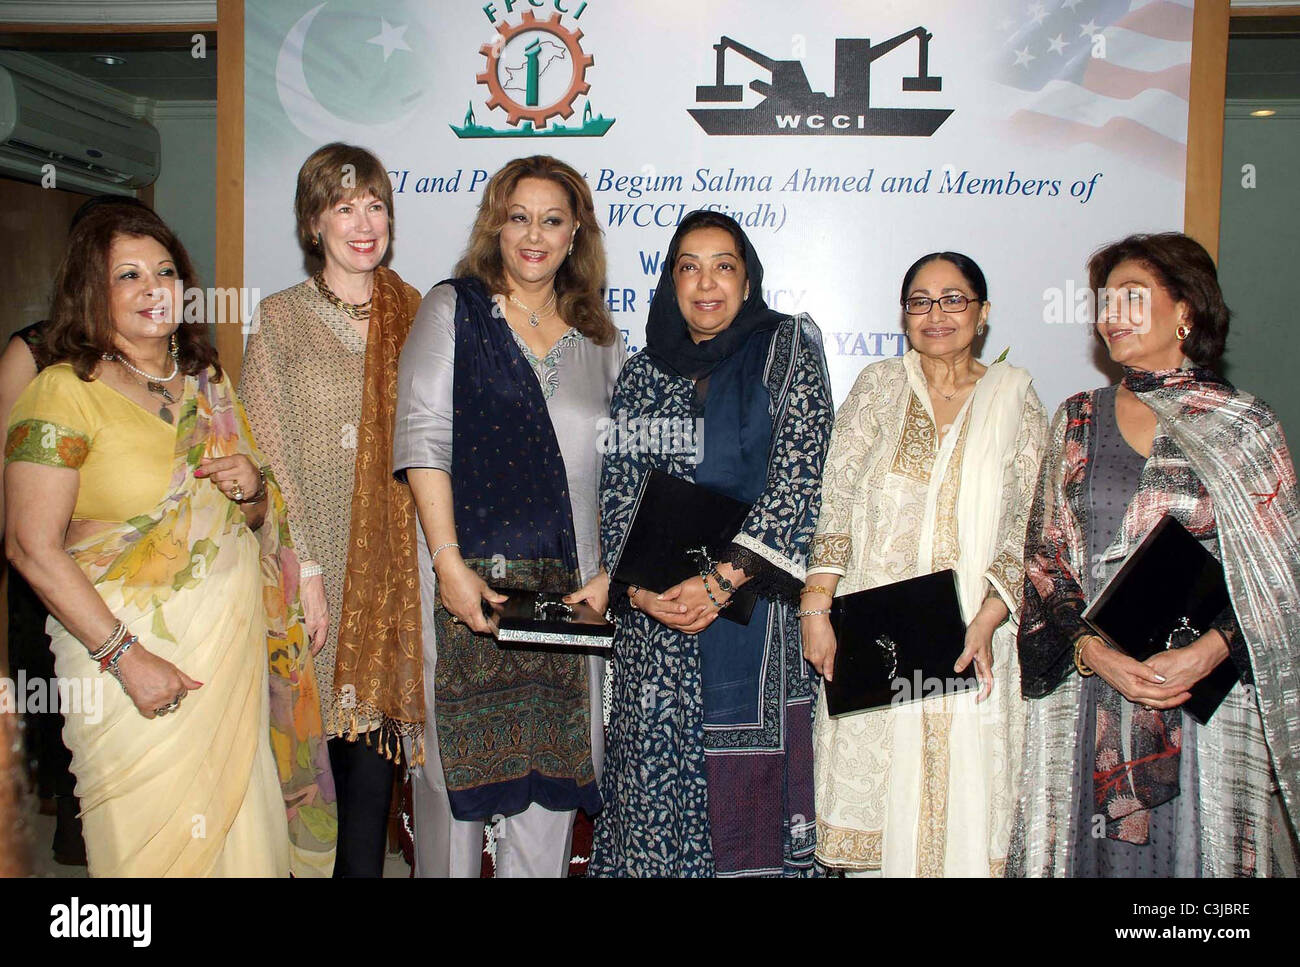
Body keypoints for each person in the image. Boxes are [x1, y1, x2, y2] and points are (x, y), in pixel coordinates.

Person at [4, 204, 330, 876]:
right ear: (93, 291)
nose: (154, 287)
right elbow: (30, 546)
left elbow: (258, 520)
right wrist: (127, 658)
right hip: (127, 668)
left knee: (243, 842)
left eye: (165, 271)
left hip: (230, 665)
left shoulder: (208, 383)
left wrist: (252, 490)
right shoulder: (61, 391)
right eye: (129, 275)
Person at [1012, 232, 1300, 877]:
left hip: (1202, 697)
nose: (1111, 314)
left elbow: (1280, 575)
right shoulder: (1077, 418)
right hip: (1087, 688)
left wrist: (1208, 652)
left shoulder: (1243, 425)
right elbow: (1042, 558)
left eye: (1133, 298)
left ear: (1186, 312)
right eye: (1106, 301)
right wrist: (1096, 655)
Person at [393, 155, 623, 877]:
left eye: (552, 219)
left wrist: (609, 572)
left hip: (569, 592)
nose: (534, 234)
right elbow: (423, 438)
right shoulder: (454, 309)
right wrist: (448, 563)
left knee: (550, 790)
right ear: (495, 222)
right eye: (518, 216)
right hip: (468, 582)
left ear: (575, 231)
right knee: (456, 785)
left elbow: (623, 472)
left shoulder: (601, 340)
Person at [591, 210, 834, 877]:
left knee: (752, 820)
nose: (706, 282)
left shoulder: (785, 352)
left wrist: (724, 579)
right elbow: (618, 493)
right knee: (656, 812)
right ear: (670, 280)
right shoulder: (644, 374)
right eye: (689, 266)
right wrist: (639, 589)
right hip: (658, 629)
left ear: (748, 279)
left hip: (755, 623)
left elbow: (802, 480)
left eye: (723, 265)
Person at [802, 252, 1046, 877]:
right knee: (877, 819)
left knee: (969, 812)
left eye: (954, 299)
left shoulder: (1015, 398)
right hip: (878, 632)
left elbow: (1028, 520)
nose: (937, 315)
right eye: (920, 301)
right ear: (904, 315)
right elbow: (838, 501)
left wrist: (990, 618)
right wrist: (816, 608)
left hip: (977, 637)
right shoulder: (877, 387)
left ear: (983, 313)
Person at [241, 142, 421, 877]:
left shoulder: (420, 315)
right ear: (314, 221)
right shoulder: (281, 319)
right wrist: (305, 566)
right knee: (315, 775)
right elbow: (268, 455)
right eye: (345, 206)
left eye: (375, 204)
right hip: (312, 577)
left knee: (372, 782)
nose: (364, 221)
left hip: (399, 576)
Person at [0, 194, 149, 867]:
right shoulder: (35, 356)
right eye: (123, 266)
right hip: (52, 581)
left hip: (146, 592)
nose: (148, 284)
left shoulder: (168, 367)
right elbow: (19, 498)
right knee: (73, 743)